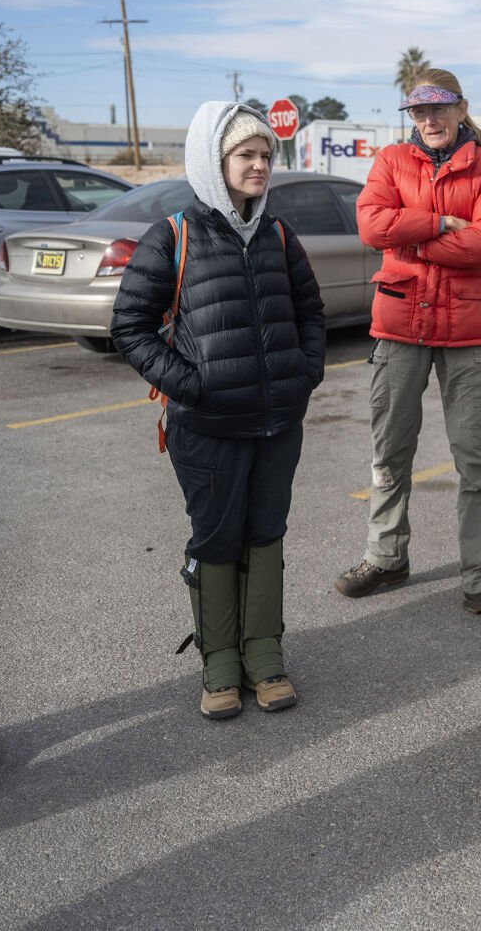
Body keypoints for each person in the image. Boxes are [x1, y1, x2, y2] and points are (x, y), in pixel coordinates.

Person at [111, 102, 325, 720]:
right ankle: (220, 664)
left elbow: (310, 314)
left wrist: (303, 373)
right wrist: (190, 384)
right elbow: (131, 324)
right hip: (207, 427)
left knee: (266, 534)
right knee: (216, 538)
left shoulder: (279, 235)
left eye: (265, 155)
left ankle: (264, 657)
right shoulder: (174, 235)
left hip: (278, 423)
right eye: (245, 155)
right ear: (214, 161)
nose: (258, 165)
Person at [332, 68, 481, 626]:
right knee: (389, 453)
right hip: (400, 327)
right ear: (410, 116)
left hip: (469, 335)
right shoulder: (391, 161)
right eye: (419, 111)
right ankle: (385, 557)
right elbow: (371, 227)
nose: (430, 120)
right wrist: (439, 221)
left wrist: (410, 240)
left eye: (440, 109)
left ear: (462, 109)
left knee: (476, 462)